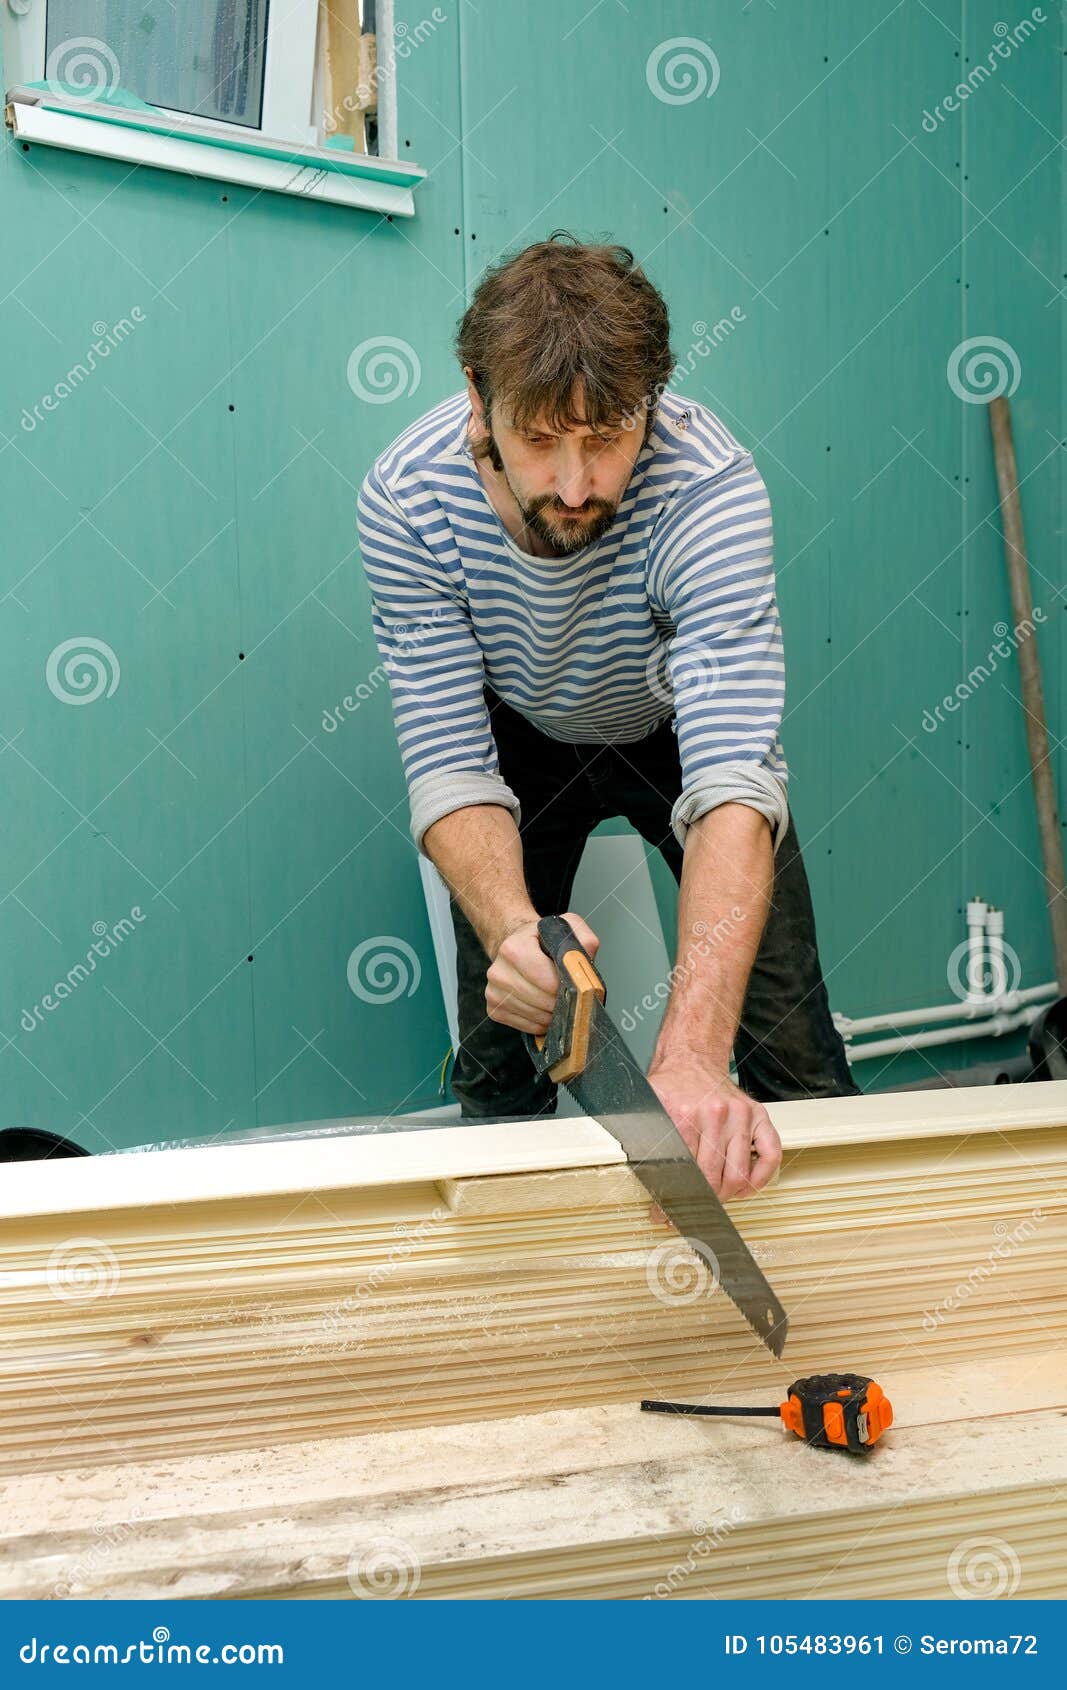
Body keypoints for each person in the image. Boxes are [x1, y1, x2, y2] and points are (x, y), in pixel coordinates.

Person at [356, 231, 859, 1204]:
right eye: (541, 440)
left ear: (652, 408)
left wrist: (690, 1058)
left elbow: (728, 790)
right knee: (500, 1068)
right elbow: (451, 764)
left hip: (677, 734)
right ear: (476, 397)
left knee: (793, 1059)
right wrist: (513, 931)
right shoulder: (405, 496)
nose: (576, 484)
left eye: (607, 439)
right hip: (516, 748)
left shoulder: (708, 488)